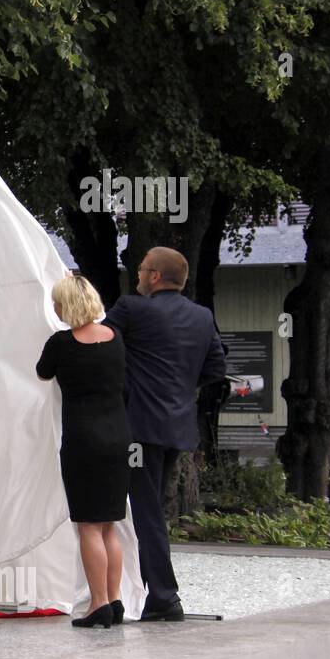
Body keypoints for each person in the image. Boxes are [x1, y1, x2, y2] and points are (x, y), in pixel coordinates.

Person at [102, 247, 227, 621]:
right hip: (177, 425)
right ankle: (159, 593)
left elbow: (99, 344)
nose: (137, 275)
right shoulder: (202, 316)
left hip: (138, 427)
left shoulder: (130, 308)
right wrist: (179, 386)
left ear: (155, 276)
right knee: (152, 505)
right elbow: (216, 368)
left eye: (141, 269)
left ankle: (164, 595)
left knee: (146, 510)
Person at [37, 274, 131, 628]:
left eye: (58, 303)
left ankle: (98, 603)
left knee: (89, 527)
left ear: (67, 305)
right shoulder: (115, 339)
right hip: (119, 437)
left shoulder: (61, 344)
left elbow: (42, 373)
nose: (55, 308)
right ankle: (116, 598)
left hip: (83, 439)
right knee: (110, 525)